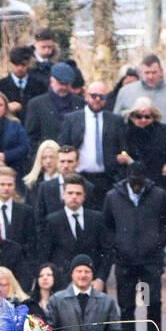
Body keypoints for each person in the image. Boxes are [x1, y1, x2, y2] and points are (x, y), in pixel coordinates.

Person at [104, 161, 166, 331]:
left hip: (149, 263)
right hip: (125, 264)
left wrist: (157, 242)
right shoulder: (113, 197)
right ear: (128, 180)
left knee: (151, 303)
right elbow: (107, 226)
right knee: (126, 308)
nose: (138, 186)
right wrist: (116, 246)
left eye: (141, 183)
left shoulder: (158, 196)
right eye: (134, 183)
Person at [114, 54, 166, 178]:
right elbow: (114, 126)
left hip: (163, 162)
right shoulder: (126, 92)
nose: (150, 76)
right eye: (147, 73)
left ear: (161, 72)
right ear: (141, 73)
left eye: (154, 72)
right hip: (132, 160)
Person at [59, 81, 126, 210]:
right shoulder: (72, 119)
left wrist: (119, 158)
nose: (97, 100)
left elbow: (123, 148)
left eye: (102, 97)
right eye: (93, 96)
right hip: (80, 177)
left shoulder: (115, 121)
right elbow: (63, 146)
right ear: (86, 96)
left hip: (106, 178)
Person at [42, 173, 111, 289]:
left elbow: (107, 252)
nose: (74, 197)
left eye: (78, 193)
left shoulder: (97, 218)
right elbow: (47, 254)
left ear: (84, 196)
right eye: (70, 193)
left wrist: (100, 279)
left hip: (93, 283)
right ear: (63, 195)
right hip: (63, 285)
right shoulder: (52, 220)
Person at [121, 97, 166, 199]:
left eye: (147, 117)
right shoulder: (124, 131)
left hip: (157, 180)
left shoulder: (163, 131)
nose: (143, 120)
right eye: (138, 116)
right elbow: (117, 151)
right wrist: (122, 157)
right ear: (132, 116)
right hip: (132, 182)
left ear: (153, 117)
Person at [23, 63, 83, 152]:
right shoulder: (36, 104)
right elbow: (31, 137)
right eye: (60, 83)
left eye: (66, 84)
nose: (63, 87)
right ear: (51, 82)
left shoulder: (80, 103)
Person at [33, 144, 91, 233]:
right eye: (62, 161)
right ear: (57, 163)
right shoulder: (45, 187)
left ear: (77, 163)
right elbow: (39, 219)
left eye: (70, 161)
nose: (66, 165)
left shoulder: (88, 187)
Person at [0, 166, 36, 260]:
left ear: (14, 185)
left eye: (9, 184)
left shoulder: (25, 211)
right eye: (2, 184)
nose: (6, 188)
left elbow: (31, 242)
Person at [0, 45, 47, 118]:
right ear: (10, 63)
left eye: (23, 64)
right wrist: (5, 108)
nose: (20, 68)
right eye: (16, 64)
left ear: (28, 63)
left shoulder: (39, 86)